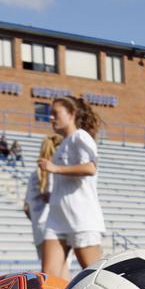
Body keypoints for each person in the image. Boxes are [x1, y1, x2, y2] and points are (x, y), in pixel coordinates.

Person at [39, 96, 106, 279]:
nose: (51, 118)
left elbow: (90, 168)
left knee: (95, 277)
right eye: (50, 114)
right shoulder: (63, 144)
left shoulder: (80, 137)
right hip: (57, 218)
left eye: (55, 113)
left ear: (71, 114)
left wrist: (55, 168)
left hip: (81, 217)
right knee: (48, 278)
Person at [24, 135, 59, 261]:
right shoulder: (56, 171)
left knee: (48, 273)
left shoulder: (33, 175)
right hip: (55, 230)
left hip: (38, 231)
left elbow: (26, 208)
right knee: (60, 275)